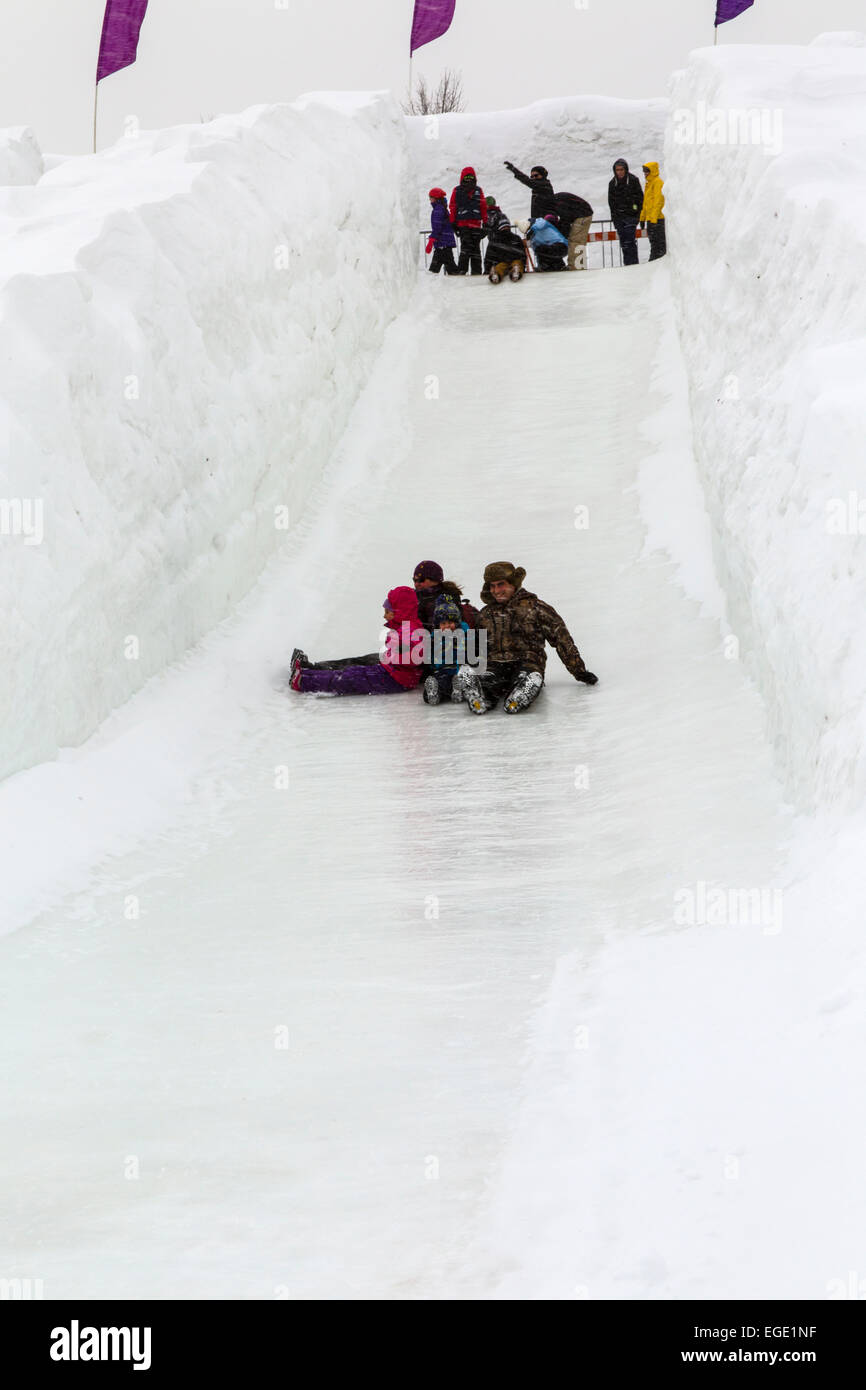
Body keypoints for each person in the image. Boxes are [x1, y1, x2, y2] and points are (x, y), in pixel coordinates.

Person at [454, 561, 598, 715]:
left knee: (526, 675)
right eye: (492, 586)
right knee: (488, 680)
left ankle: (522, 692)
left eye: (501, 585)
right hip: (495, 664)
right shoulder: (486, 614)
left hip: (527, 661)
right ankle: (480, 697)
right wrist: (466, 669)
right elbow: (477, 647)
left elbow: (561, 639)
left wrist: (580, 672)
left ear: (513, 584)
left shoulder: (535, 608)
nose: (496, 590)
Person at [290, 588, 424, 696]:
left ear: (400, 612)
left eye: (388, 612)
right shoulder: (405, 627)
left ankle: (304, 680)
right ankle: (307, 672)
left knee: (351, 678)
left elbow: (411, 660)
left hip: (397, 678)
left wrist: (390, 655)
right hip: (392, 672)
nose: (385, 616)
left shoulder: (410, 630)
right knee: (353, 671)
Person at [423, 594, 470, 706]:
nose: (447, 626)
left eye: (450, 623)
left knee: (465, 682)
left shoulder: (463, 633)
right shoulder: (435, 636)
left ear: (457, 622)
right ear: (438, 625)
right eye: (443, 623)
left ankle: (458, 689)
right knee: (440, 682)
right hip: (443, 670)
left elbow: (471, 648)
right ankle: (435, 693)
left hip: (459, 669)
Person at [413, 560, 480, 630]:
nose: (416, 584)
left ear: (434, 579)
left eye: (421, 580)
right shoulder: (413, 598)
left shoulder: (447, 600)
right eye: (414, 580)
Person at [449, 167, 487, 276]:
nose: (469, 180)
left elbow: (483, 207)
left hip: (475, 225)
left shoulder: (478, 190)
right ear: (462, 178)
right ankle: (462, 271)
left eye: (471, 177)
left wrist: (485, 223)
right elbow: (453, 207)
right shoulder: (457, 190)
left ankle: (476, 272)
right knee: (465, 248)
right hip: (463, 225)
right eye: (467, 177)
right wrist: (453, 223)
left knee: (475, 249)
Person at [607, 158, 644, 267]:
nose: (620, 172)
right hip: (619, 218)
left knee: (630, 241)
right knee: (623, 243)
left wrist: (637, 215)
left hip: (631, 217)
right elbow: (611, 203)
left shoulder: (633, 180)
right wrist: (615, 220)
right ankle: (627, 264)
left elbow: (640, 198)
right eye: (617, 170)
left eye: (622, 169)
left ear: (626, 169)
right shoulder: (612, 183)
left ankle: (634, 264)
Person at [483, 196, 525, 282]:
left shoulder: (496, 239)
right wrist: (523, 262)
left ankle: (499, 272)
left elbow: (489, 256)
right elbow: (522, 252)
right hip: (510, 259)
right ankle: (498, 273)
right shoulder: (515, 238)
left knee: (504, 265)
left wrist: (487, 268)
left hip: (503, 258)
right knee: (511, 264)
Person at [554, 191, 594, 271]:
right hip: (582, 213)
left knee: (576, 241)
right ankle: (579, 266)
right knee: (576, 241)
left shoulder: (557, 204)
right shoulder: (556, 200)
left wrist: (563, 235)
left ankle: (575, 268)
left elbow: (566, 220)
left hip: (583, 215)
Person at [427, 187, 458, 276]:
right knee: (450, 268)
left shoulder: (438, 209)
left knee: (434, 270)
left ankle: (460, 283)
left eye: (431, 197)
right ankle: (458, 281)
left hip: (442, 243)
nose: (430, 200)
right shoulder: (442, 208)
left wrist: (431, 240)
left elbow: (437, 226)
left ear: (436, 198)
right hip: (445, 242)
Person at [640, 161, 666, 261]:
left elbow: (658, 202)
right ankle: (655, 263)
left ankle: (656, 264)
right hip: (651, 220)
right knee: (654, 244)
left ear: (653, 171)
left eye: (647, 171)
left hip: (657, 220)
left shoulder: (657, 183)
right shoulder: (649, 184)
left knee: (658, 246)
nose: (645, 173)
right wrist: (642, 218)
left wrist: (654, 220)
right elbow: (646, 204)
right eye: (644, 171)